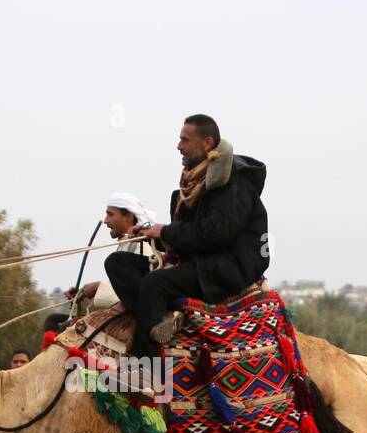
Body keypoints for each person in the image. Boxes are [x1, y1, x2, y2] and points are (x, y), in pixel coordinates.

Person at [105, 114, 269, 359]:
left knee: (154, 283)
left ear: (207, 143)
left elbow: (217, 234)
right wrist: (156, 235)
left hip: (227, 265)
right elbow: (189, 234)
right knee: (117, 263)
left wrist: (166, 231)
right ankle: (161, 319)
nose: (179, 146)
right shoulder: (196, 182)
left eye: (185, 140)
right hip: (201, 259)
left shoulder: (233, 184)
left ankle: (146, 369)